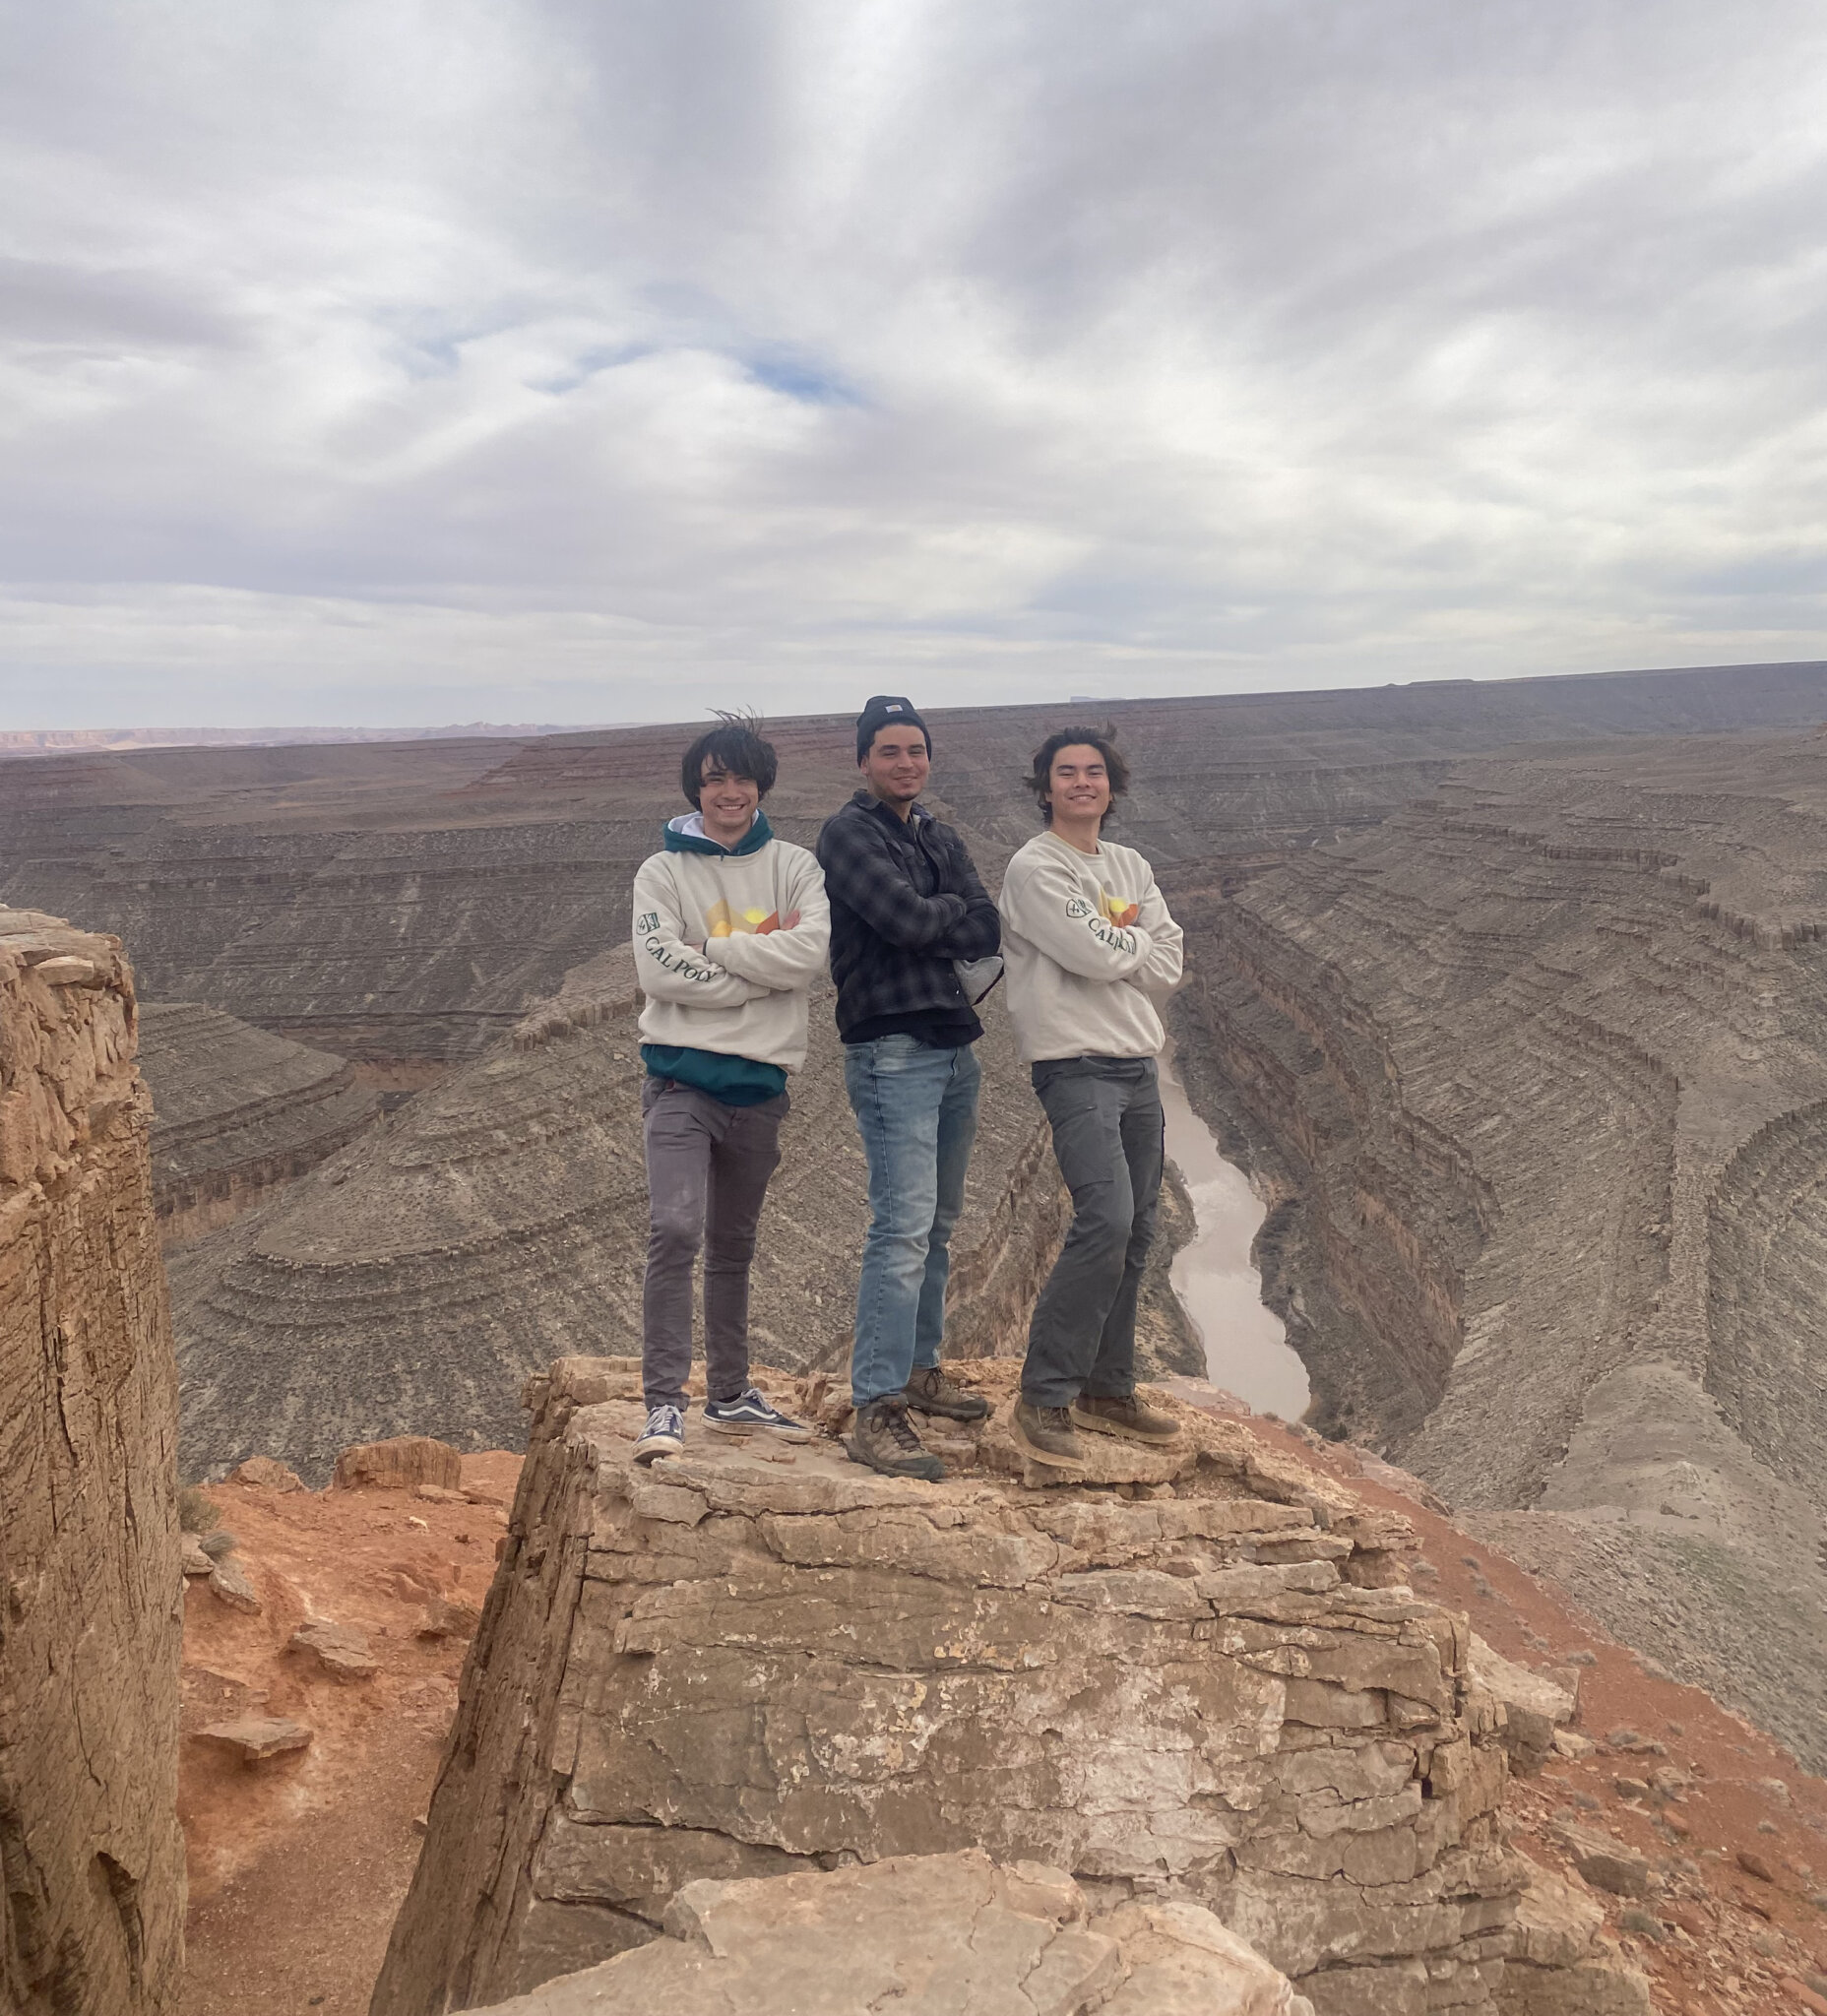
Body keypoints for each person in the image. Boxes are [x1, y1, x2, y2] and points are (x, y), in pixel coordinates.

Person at [630, 717, 831, 1464]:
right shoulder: (661, 872)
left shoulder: (795, 866)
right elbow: (658, 971)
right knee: (676, 1229)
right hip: (681, 1084)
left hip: (760, 1089)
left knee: (733, 1247)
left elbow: (809, 955)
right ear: (696, 788)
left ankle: (730, 1392)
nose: (729, 791)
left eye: (742, 778)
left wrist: (711, 950)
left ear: (761, 786)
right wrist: (761, 973)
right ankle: (663, 1404)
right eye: (715, 778)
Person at [816, 696, 1002, 1480]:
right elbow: (907, 923)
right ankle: (877, 1405)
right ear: (864, 760)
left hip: (955, 1047)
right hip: (890, 1048)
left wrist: (940, 912)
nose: (905, 763)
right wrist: (943, 912)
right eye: (889, 751)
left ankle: (922, 1370)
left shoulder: (937, 834)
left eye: (916, 750)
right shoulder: (848, 834)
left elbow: (985, 927)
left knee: (938, 1225)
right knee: (900, 1228)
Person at [997, 726, 1185, 1473]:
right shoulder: (1036, 867)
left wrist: (1121, 945)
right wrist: (1127, 941)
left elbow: (1169, 963)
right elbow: (1095, 953)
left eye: (1095, 771)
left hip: (1137, 1064)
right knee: (1104, 1218)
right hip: (1074, 1066)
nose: (1082, 782)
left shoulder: (1129, 864)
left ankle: (1107, 1388)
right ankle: (1044, 1395)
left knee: (1138, 1230)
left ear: (1112, 785)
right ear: (1045, 787)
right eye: (1067, 772)